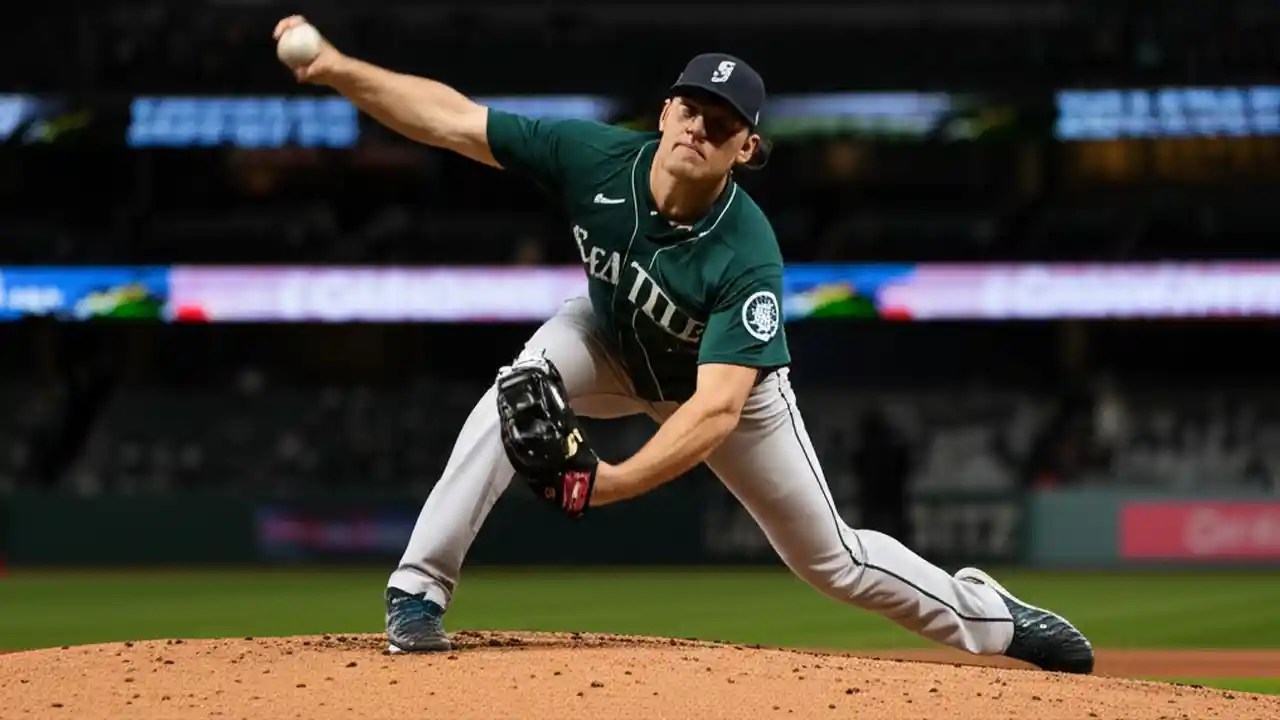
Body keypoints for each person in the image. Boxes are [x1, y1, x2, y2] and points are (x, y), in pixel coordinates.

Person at [271, 15, 1094, 673]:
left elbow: (714, 411)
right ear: (665, 111)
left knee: (832, 560)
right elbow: (449, 120)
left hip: (728, 395)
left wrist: (612, 483)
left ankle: (992, 619)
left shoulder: (749, 252)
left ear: (748, 149)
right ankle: (417, 593)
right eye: (692, 107)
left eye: (724, 121)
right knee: (516, 389)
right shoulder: (591, 155)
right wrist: (339, 68)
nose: (701, 125)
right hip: (607, 338)